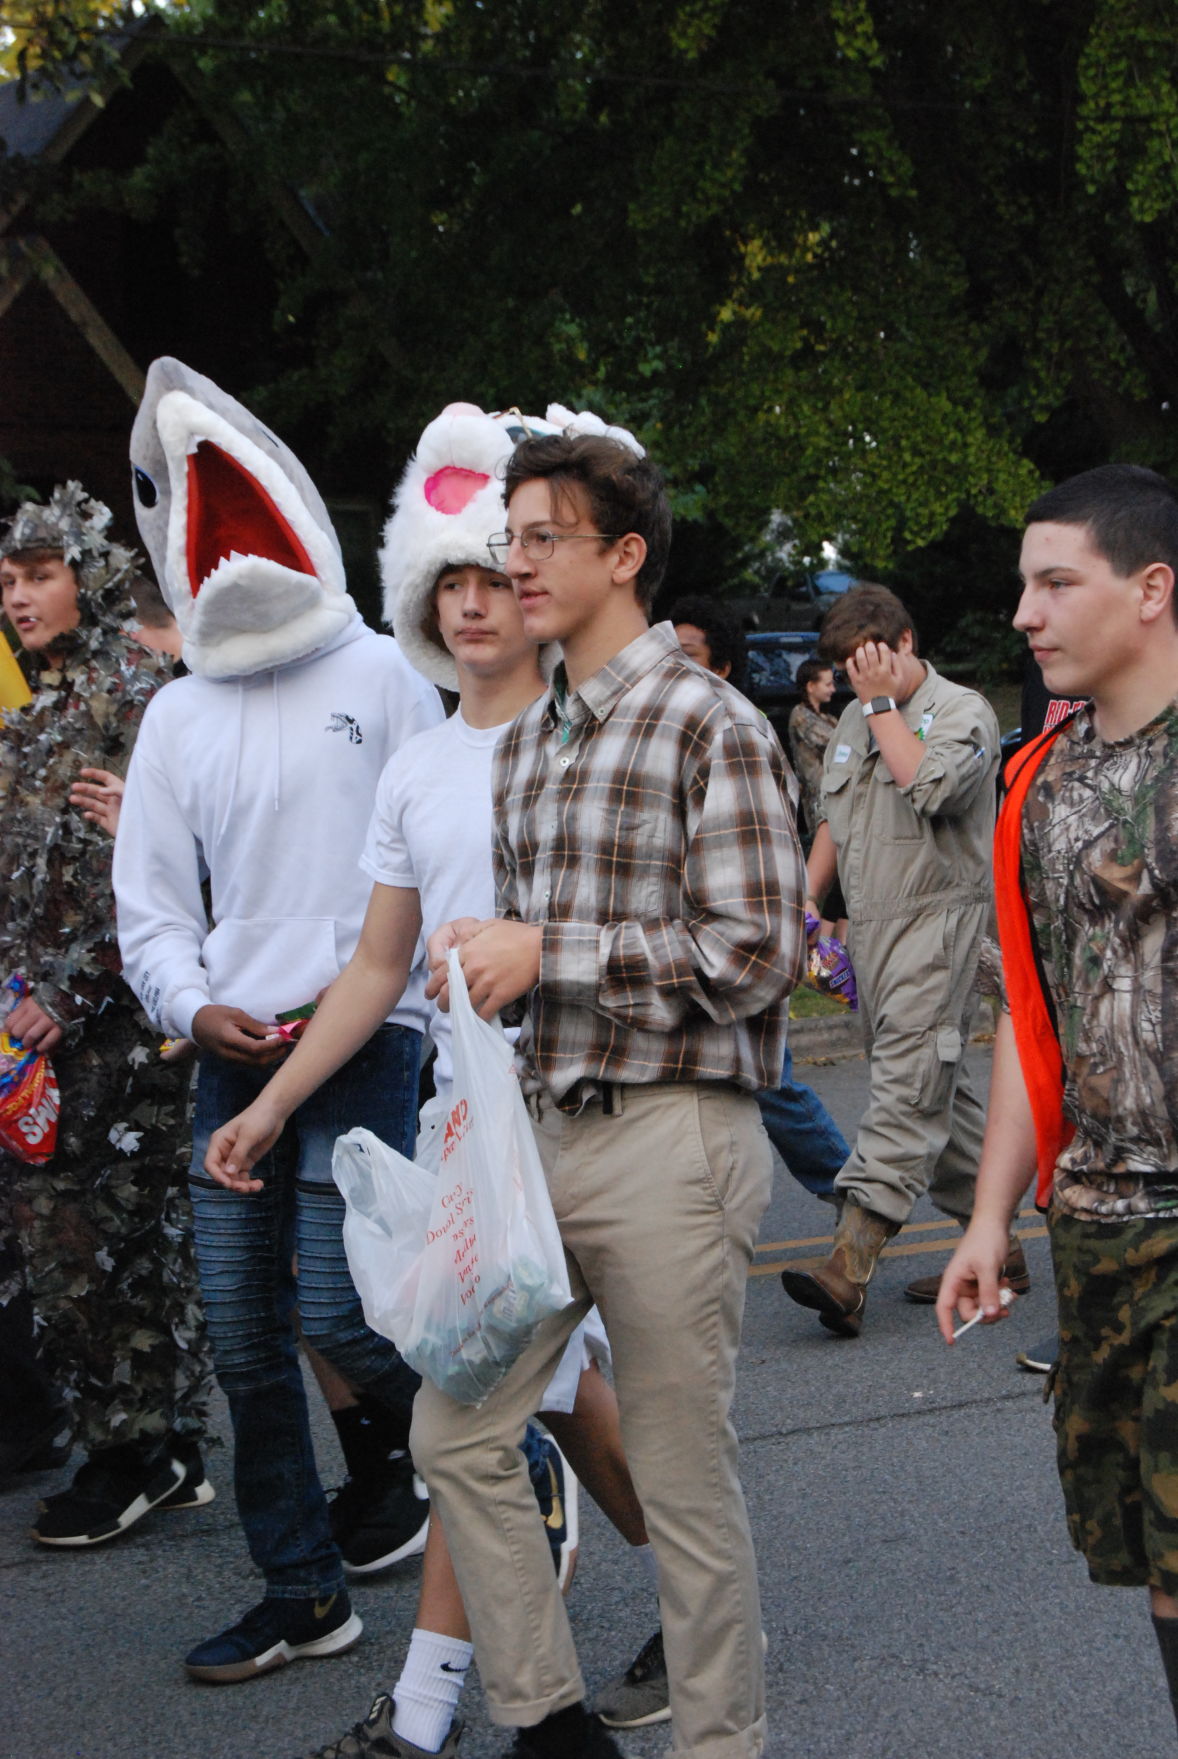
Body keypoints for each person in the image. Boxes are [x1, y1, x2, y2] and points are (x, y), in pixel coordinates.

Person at [207, 401, 660, 1755]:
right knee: (513, 1404)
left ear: (538, 591)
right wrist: (273, 1102)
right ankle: (663, 1597)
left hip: (598, 1116)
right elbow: (374, 970)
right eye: (445, 584)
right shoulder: (410, 766)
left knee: (497, 1408)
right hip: (470, 1129)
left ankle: (434, 1704)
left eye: (491, 577)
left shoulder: (596, 739)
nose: (471, 605)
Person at [411, 417, 804, 1759]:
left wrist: (548, 955)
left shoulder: (711, 720)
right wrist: (479, 976)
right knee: (452, 1427)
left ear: (622, 553)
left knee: (684, 1485)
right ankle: (547, 1718)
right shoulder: (524, 742)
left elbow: (761, 953)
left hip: (674, 1140)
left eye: (540, 539)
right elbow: (533, 969)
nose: (512, 563)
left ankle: (717, 1741)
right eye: (504, 537)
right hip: (539, 1139)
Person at [114, 357, 443, 1682]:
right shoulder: (176, 713)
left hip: (373, 1038)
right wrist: (193, 1006)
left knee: (350, 1314)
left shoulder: (390, 671)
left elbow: (431, 863)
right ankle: (304, 1592)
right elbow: (149, 909)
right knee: (247, 1337)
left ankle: (510, 1447)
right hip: (229, 1051)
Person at [936, 463, 1178, 1734]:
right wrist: (987, 1220)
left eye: (1053, 582)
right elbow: (1031, 1018)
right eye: (1021, 585)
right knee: (1149, 1562)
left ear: (1149, 591)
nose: (1024, 613)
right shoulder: (1037, 780)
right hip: (1092, 1228)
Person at [0, 482, 213, 1543]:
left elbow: (163, 868)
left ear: (85, 576)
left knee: (121, 1241)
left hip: (126, 1033)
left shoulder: (144, 692)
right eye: (9, 577)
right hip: (31, 1035)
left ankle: (148, 1449)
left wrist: (68, 990)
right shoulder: (32, 708)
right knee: (64, 1246)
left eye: (39, 573)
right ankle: (140, 1443)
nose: (20, 594)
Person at [780, 582, 1027, 1335]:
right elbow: (835, 815)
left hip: (941, 921)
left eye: (870, 664)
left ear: (907, 643)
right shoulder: (855, 715)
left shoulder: (964, 712)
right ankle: (1002, 1245)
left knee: (902, 1090)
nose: (858, 682)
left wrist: (886, 707)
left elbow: (932, 786)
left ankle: (848, 1267)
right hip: (875, 932)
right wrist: (808, 900)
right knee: (936, 1093)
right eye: (849, 671)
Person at [670, 607, 849, 1204]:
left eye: (688, 654)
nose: (669, 666)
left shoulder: (739, 731)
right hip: (677, 944)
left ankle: (857, 1201)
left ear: (722, 666)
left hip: (735, 942)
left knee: (774, 1083)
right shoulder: (659, 728)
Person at [669, 593, 749, 690]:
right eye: (667, 654)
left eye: (686, 654)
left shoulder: (733, 705)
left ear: (720, 670)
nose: (670, 662)